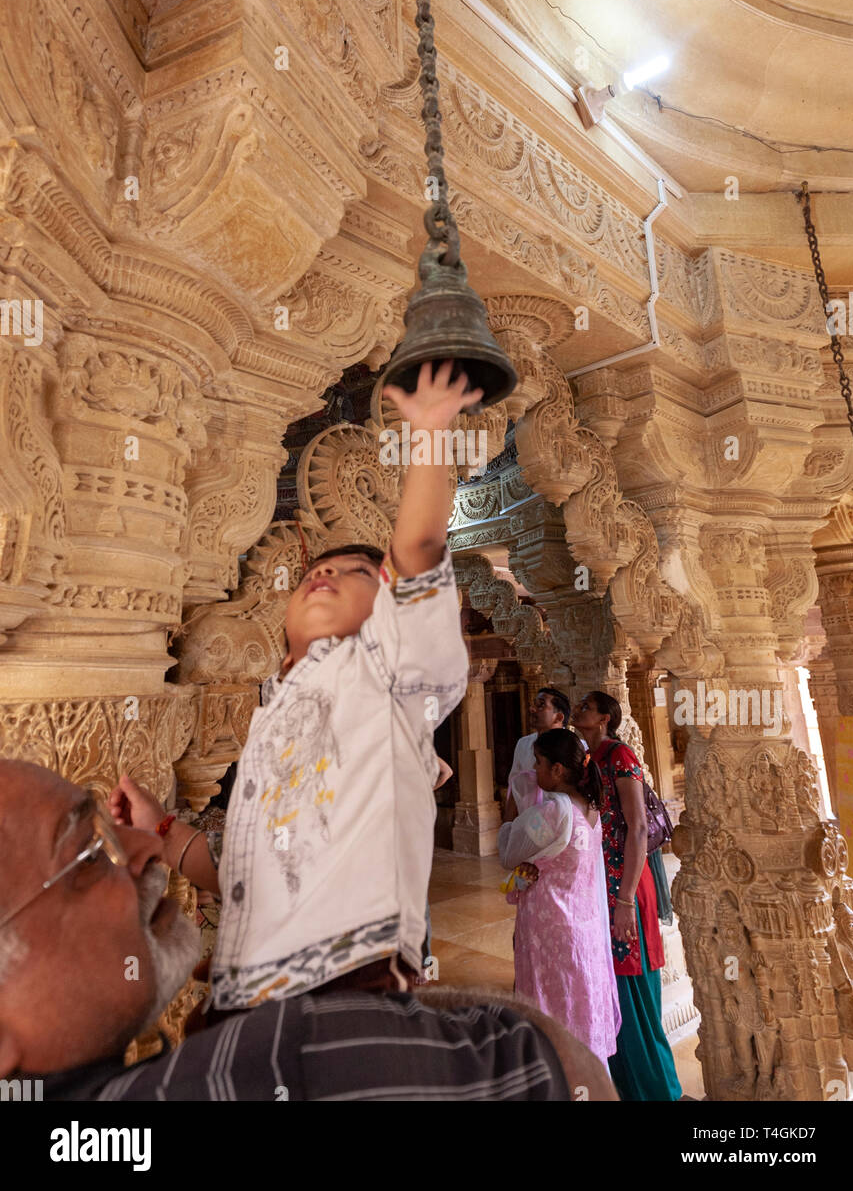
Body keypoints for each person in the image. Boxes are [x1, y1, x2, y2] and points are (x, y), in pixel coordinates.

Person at [111, 361, 481, 1008]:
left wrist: (428, 434)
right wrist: (162, 831)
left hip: (349, 988)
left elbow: (419, 549)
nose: (327, 574)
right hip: (243, 1004)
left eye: (356, 573)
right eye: (321, 567)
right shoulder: (276, 712)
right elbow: (246, 877)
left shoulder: (385, 677)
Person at [0, 759, 618, 1100]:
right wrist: (331, 1009)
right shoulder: (287, 1055)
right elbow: (568, 1071)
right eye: (86, 854)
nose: (131, 851)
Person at [574, 691, 682, 1101]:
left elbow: (637, 828)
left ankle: (659, 1093)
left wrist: (624, 901)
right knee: (613, 995)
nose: (578, 710)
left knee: (635, 998)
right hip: (602, 886)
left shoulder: (620, 756)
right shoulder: (590, 759)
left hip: (627, 888)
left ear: (604, 718)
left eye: (586, 707)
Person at [497, 729, 620, 1066]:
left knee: (550, 1009)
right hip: (583, 928)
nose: (534, 771)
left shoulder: (555, 813)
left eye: (538, 763)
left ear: (558, 770)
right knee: (578, 1008)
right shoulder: (590, 808)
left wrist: (510, 806)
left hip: (551, 931)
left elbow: (507, 851)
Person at [503, 686, 574, 825]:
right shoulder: (523, 744)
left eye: (541, 705)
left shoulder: (576, 747)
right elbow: (515, 790)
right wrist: (508, 830)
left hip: (563, 826)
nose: (532, 709)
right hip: (530, 827)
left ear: (558, 717)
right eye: (534, 704)